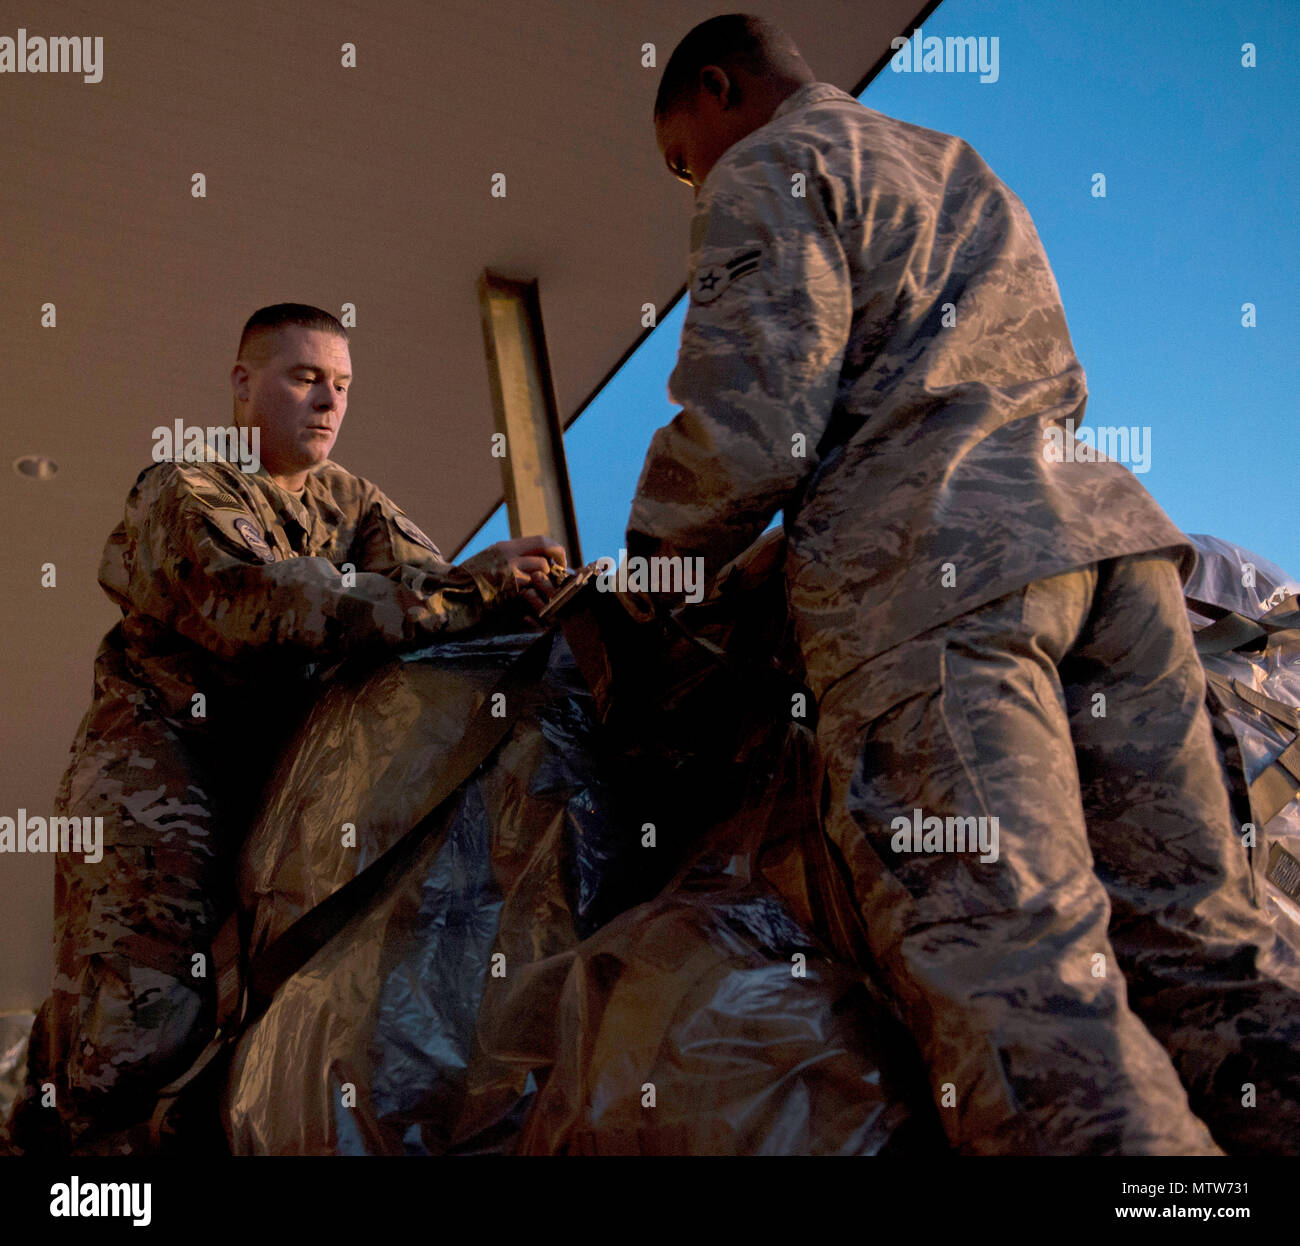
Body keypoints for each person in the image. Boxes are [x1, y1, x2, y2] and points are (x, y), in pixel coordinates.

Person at [625, 14, 1300, 1155]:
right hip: (1104, 551)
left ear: (718, 88)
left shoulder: (770, 166)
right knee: (1204, 948)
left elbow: (753, 427)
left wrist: (643, 580)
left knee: (1022, 974)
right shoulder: (951, 162)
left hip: (932, 583)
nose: (694, 178)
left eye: (683, 155)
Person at [8, 303, 566, 1154]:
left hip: (280, 785)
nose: (328, 402)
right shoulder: (188, 484)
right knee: (138, 1038)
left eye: (341, 385)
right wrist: (467, 592)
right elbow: (267, 607)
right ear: (242, 386)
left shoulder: (351, 500)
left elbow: (433, 589)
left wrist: (533, 592)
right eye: (304, 377)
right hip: (163, 782)